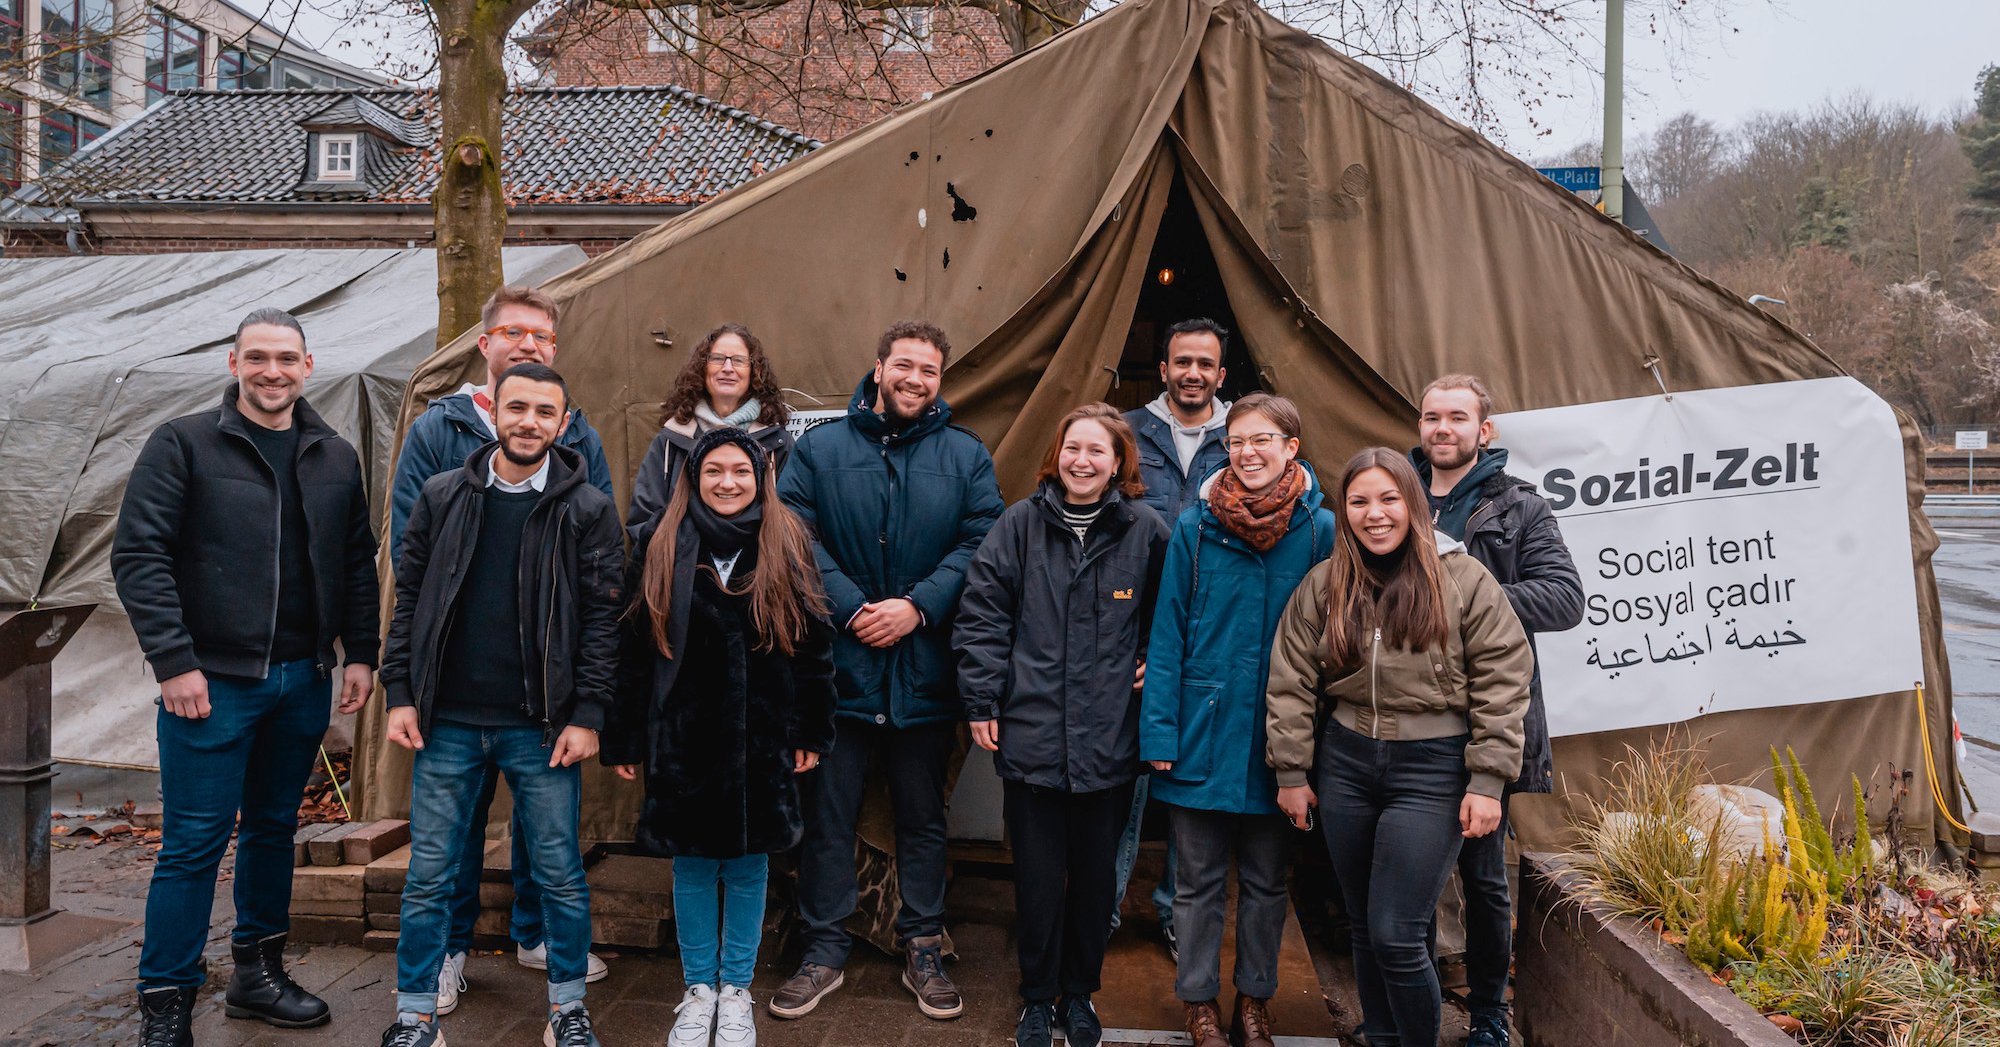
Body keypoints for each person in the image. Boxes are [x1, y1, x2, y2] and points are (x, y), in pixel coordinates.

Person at [115, 308, 380, 1046]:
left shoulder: (334, 455)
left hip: (302, 681)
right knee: (193, 843)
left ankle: (257, 975)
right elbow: (140, 556)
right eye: (257, 357)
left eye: (286, 358)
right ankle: (164, 1002)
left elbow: (357, 562)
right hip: (211, 685)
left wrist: (360, 650)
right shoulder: (185, 444)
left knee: (272, 829)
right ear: (233, 363)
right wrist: (174, 662)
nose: (273, 370)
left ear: (308, 365)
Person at [377, 363, 624, 1047]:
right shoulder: (442, 494)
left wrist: (589, 713)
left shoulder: (588, 510)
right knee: (428, 875)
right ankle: (416, 1015)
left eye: (546, 412)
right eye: (517, 407)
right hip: (447, 723)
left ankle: (567, 1011)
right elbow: (411, 602)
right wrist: (400, 691)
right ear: (493, 409)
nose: (530, 422)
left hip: (540, 727)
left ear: (564, 422)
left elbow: (604, 624)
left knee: (559, 876)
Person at [771, 320, 1005, 1022]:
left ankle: (923, 941)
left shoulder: (966, 455)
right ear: (878, 369)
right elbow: (793, 533)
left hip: (925, 671)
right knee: (829, 816)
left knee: (923, 818)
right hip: (839, 673)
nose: (915, 379)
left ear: (941, 379)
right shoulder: (819, 450)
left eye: (929, 370)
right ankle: (822, 949)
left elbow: (982, 538)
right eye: (904, 365)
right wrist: (851, 608)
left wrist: (917, 606)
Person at [1265, 448, 1534, 1047]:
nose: (1375, 514)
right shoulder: (1327, 584)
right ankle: (1381, 1036)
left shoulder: (1461, 579)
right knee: (1363, 921)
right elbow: (1291, 679)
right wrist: (1291, 770)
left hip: (1433, 767)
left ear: (1414, 504)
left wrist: (1488, 780)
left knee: (1396, 930)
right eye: (1359, 501)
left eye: (1389, 499)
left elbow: (1504, 676)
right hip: (1346, 761)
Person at [606, 427, 838, 1047]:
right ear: (693, 478)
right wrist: (625, 737)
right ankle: (698, 990)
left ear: (760, 476)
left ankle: (736, 990)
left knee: (747, 864)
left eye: (740, 470)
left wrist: (811, 726)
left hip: (763, 737)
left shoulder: (788, 543)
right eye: (714, 472)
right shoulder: (660, 543)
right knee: (691, 863)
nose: (727, 482)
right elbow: (630, 650)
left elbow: (816, 647)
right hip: (682, 738)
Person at [956, 404, 1171, 1047]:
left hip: (1109, 741)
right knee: (1040, 879)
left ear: (1118, 463)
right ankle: (1035, 998)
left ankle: (1079, 996)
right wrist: (982, 700)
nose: (1083, 461)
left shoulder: (1147, 531)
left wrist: (1153, 661)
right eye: (1073, 448)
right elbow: (982, 617)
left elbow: (1174, 616)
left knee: (1095, 881)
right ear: (1058, 455)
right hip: (1034, 736)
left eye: (1097, 451)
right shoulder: (1019, 526)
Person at [1139, 392, 1335, 1047]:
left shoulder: (1321, 530)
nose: (1248, 451)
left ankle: (1254, 1000)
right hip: (1199, 734)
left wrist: (1310, 752)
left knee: (1264, 882)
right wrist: (1159, 730)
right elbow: (1167, 633)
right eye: (1238, 440)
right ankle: (1198, 1002)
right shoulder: (1196, 526)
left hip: (1277, 742)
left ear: (1290, 448)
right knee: (1193, 884)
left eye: (1263, 440)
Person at [1410, 375, 1583, 1047]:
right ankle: (1414, 1007)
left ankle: (1488, 1016)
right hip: (1407, 723)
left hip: (1484, 719)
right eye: (1432, 417)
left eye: (1457, 416)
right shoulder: (1395, 498)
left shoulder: (1519, 508)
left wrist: (1463, 601)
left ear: (1485, 431)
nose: (1442, 428)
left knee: (1482, 880)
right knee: (1408, 878)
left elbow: (1563, 599)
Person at [1114, 318, 1234, 957]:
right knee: (1125, 781)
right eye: (1181, 361)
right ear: (1162, 369)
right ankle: (1101, 912)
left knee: (1196, 787)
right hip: (1134, 638)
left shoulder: (1246, 438)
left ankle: (1175, 916)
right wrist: (1131, 648)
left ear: (1221, 373)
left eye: (1205, 364)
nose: (1192, 373)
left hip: (1214, 640)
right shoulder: (1126, 435)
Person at [627, 323, 795, 539]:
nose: (727, 368)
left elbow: (794, 521)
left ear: (755, 371)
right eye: (717, 358)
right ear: (702, 368)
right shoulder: (671, 441)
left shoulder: (778, 443)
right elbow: (643, 520)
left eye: (738, 360)